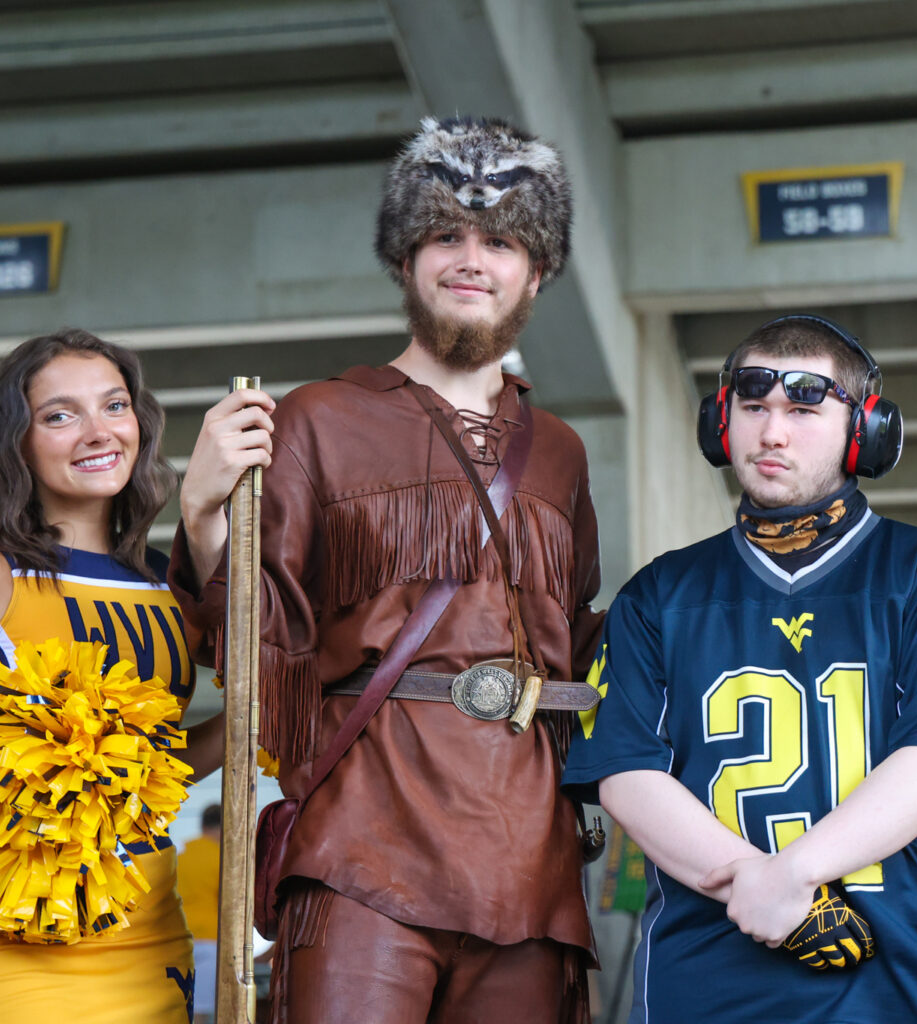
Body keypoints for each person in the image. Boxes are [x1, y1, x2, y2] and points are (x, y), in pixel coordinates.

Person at [169, 115, 603, 1024]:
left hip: (530, 861)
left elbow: (580, 644)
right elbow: (257, 646)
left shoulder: (560, 452)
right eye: (445, 235)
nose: (471, 260)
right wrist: (204, 514)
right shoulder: (319, 418)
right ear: (406, 260)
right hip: (362, 845)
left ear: (538, 271)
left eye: (500, 241)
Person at [562, 314, 917, 1023]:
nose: (772, 433)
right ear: (722, 425)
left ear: (866, 432)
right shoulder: (658, 593)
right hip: (709, 987)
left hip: (910, 978)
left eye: (804, 410)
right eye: (753, 408)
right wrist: (759, 884)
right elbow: (626, 772)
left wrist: (793, 873)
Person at [0, 328, 244, 1024]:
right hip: (15, 942)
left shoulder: (167, 586)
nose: (98, 431)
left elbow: (152, 771)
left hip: (150, 927)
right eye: (60, 415)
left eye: (114, 405)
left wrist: (248, 720)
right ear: (17, 442)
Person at [177, 803, 222, 1024]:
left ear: (203, 825)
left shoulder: (180, 853)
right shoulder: (223, 857)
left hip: (179, 938)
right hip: (211, 940)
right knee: (200, 1012)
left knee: (176, 1007)